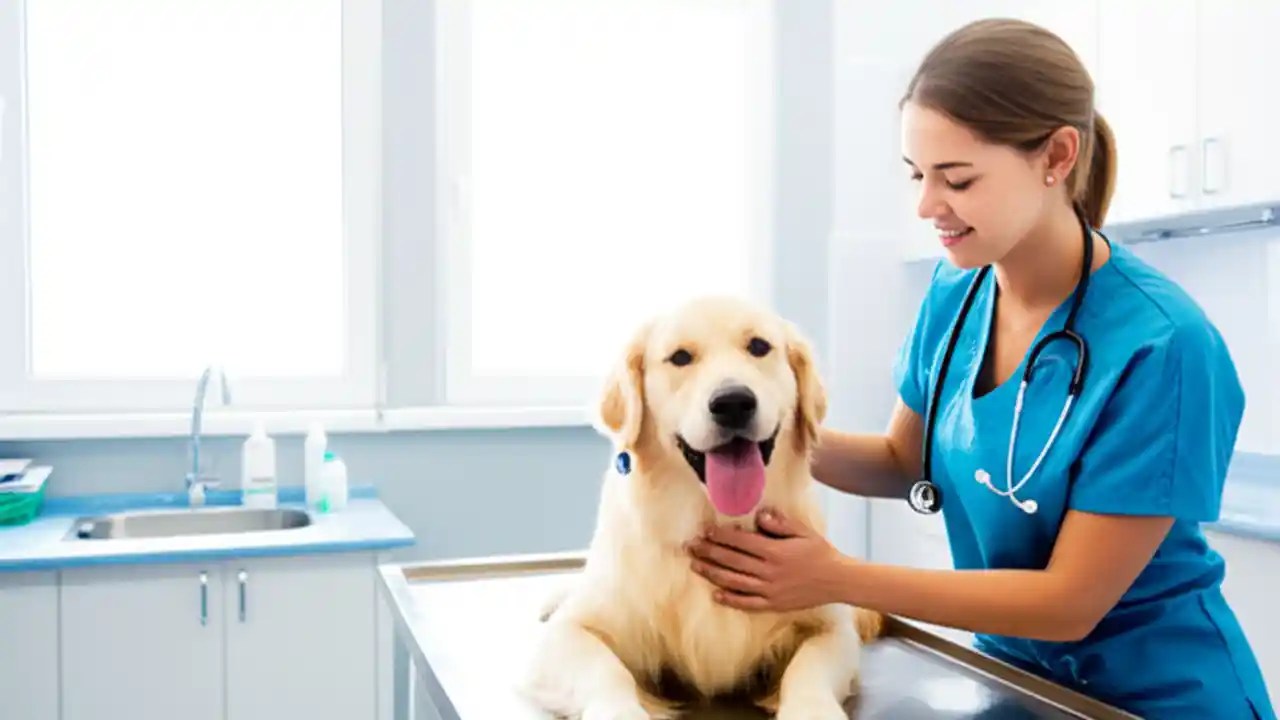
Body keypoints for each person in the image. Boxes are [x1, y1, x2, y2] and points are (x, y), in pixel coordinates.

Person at [685, 17, 1276, 719]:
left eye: (957, 179)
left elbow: (1069, 603)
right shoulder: (956, 292)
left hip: (1160, 700)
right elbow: (904, 459)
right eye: (918, 175)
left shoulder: (1165, 346)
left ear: (1057, 156)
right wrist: (753, 433)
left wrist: (835, 577)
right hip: (1017, 685)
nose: (927, 206)